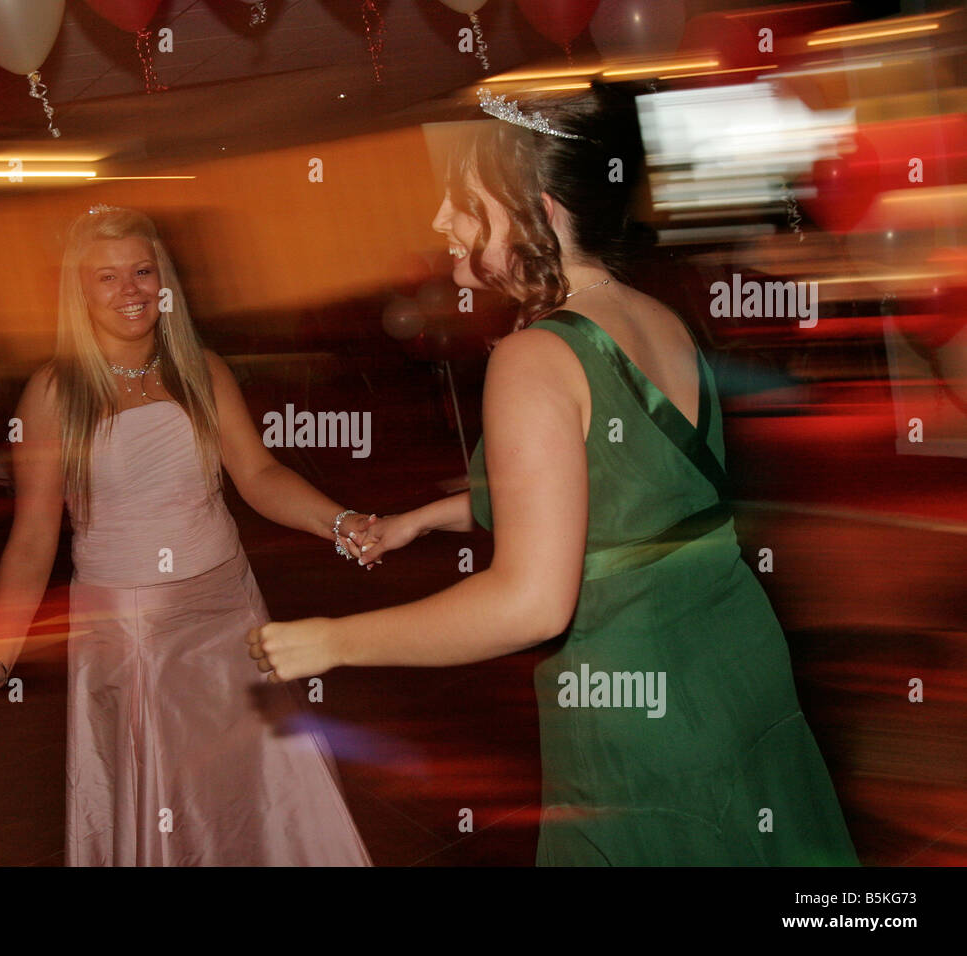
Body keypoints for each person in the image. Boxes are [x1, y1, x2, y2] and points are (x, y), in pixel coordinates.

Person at [248, 83, 860, 866]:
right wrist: (422, 520)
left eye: (465, 202)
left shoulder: (536, 357)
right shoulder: (649, 315)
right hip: (734, 661)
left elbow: (532, 604)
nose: (440, 220)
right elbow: (624, 495)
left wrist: (334, 641)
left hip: (635, 694)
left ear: (541, 211)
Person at [0, 203, 372, 866]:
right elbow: (35, 537)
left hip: (229, 616)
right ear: (79, 293)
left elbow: (259, 475)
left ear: (164, 279)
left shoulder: (200, 369)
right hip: (133, 634)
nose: (131, 290)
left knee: (262, 795)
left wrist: (342, 523)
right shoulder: (55, 392)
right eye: (107, 277)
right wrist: (0, 655)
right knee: (167, 815)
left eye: (143, 271)